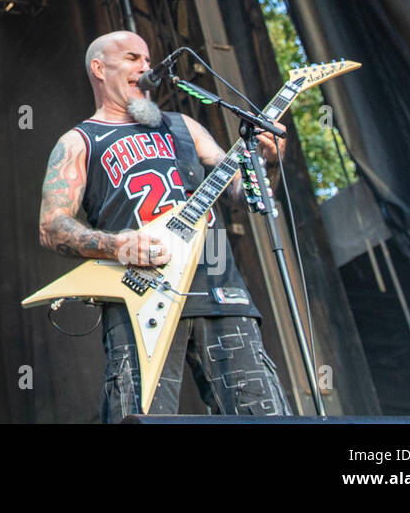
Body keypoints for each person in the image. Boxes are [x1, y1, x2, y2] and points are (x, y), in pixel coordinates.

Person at [37, 30, 292, 422]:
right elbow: (52, 227)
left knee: (263, 414)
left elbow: (245, 192)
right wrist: (118, 246)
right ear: (99, 68)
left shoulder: (183, 126)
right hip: (139, 298)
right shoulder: (78, 142)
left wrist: (268, 160)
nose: (145, 67)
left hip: (219, 290)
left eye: (147, 59)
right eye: (132, 58)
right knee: (140, 417)